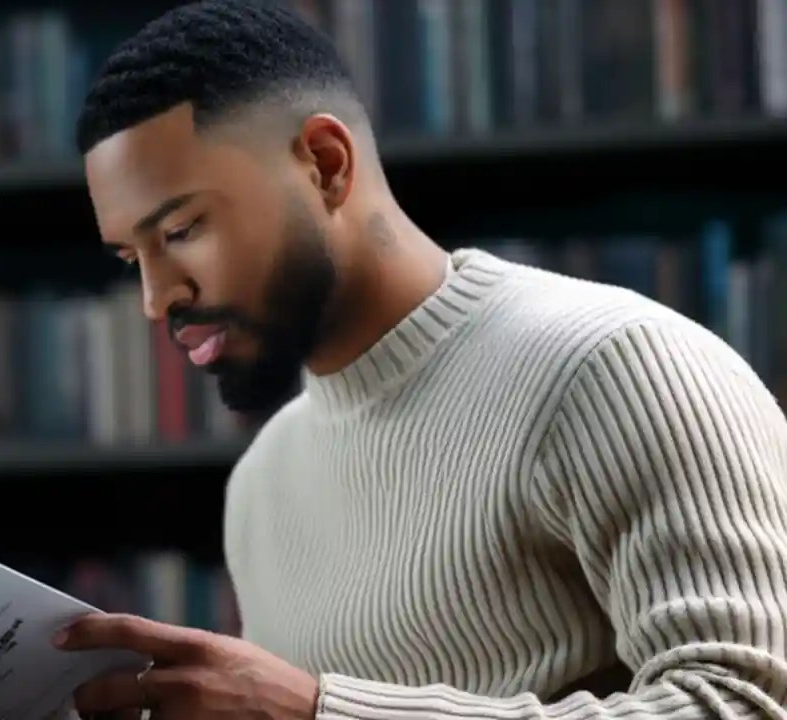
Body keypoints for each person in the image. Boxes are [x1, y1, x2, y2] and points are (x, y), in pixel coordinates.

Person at [51, 1, 787, 719]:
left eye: (181, 229)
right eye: (132, 259)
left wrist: (317, 710)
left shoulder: (615, 368)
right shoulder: (260, 484)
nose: (157, 299)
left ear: (326, 164)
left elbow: (741, 704)